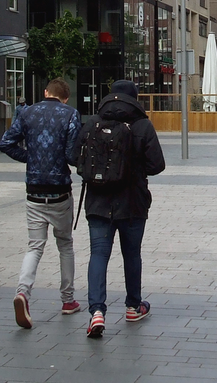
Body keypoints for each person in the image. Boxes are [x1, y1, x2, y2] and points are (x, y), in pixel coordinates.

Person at [69, 80, 166, 339]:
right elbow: (157, 165)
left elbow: (72, 156)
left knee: (98, 255)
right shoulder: (142, 125)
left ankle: (97, 312)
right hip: (133, 203)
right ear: (134, 99)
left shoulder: (92, 123)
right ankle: (134, 306)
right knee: (131, 255)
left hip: (98, 202)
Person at [0, 78, 82, 329]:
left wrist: (30, 158)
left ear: (45, 92)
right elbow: (70, 154)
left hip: (33, 190)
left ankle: (23, 292)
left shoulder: (26, 112)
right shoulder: (71, 114)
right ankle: (68, 300)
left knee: (34, 246)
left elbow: (6, 143)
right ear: (65, 98)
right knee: (65, 244)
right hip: (59, 190)